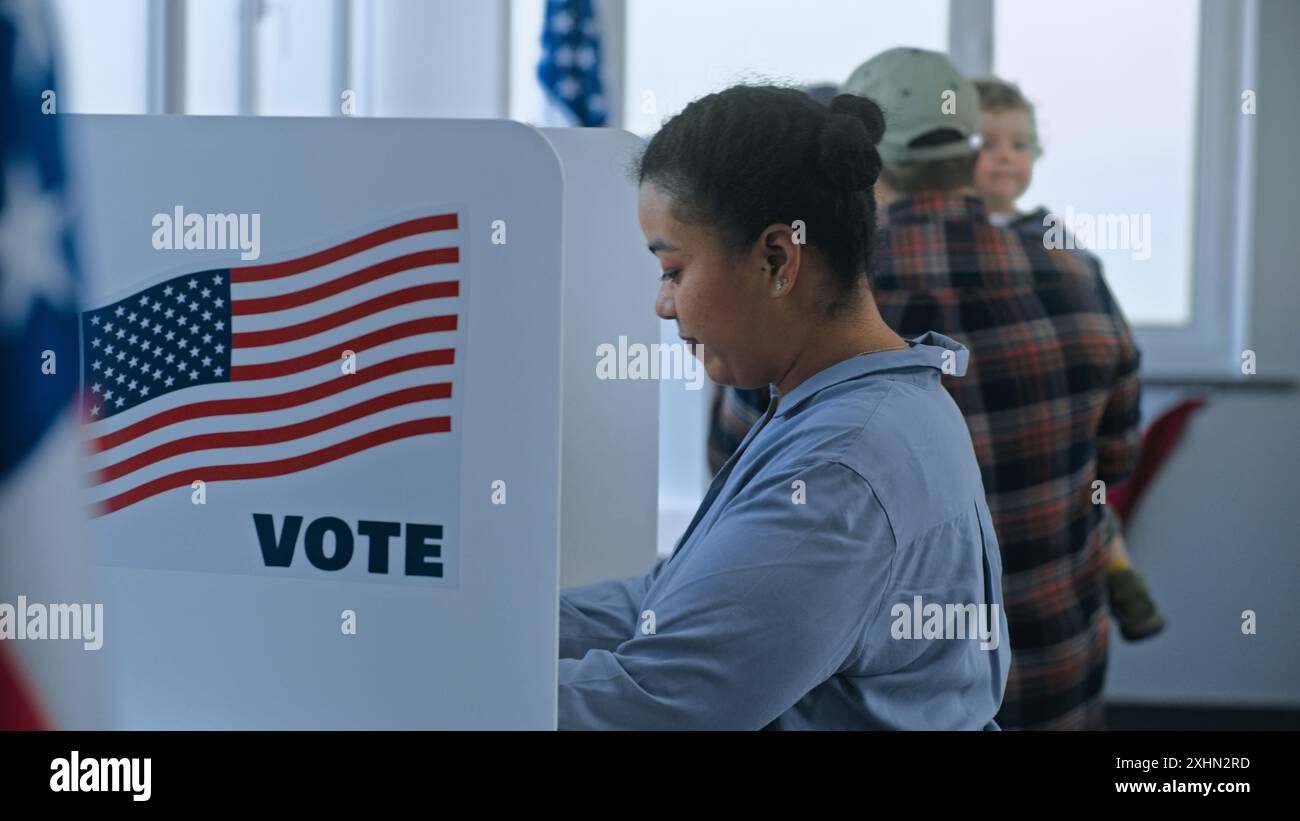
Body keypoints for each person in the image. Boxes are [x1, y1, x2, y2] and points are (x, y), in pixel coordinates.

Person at [558, 84, 1009, 730]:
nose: (663, 303)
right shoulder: (852, 402)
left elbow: (651, 705)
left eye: (674, 270)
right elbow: (668, 600)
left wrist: (435, 684)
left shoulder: (840, 468)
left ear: (777, 258)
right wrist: (506, 627)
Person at [841, 47, 1142, 729]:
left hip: (888, 685)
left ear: (862, 155)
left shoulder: (826, 284)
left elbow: (742, 472)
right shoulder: (1078, 270)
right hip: (1054, 658)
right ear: (971, 146)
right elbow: (1119, 460)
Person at [971, 76, 1165, 642]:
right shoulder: (955, 241)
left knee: (1093, 507)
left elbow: (1117, 375)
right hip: (999, 455)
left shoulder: (1059, 242)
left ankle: (1122, 575)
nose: (1006, 157)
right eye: (988, 144)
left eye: (1019, 145)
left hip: (1056, 468)